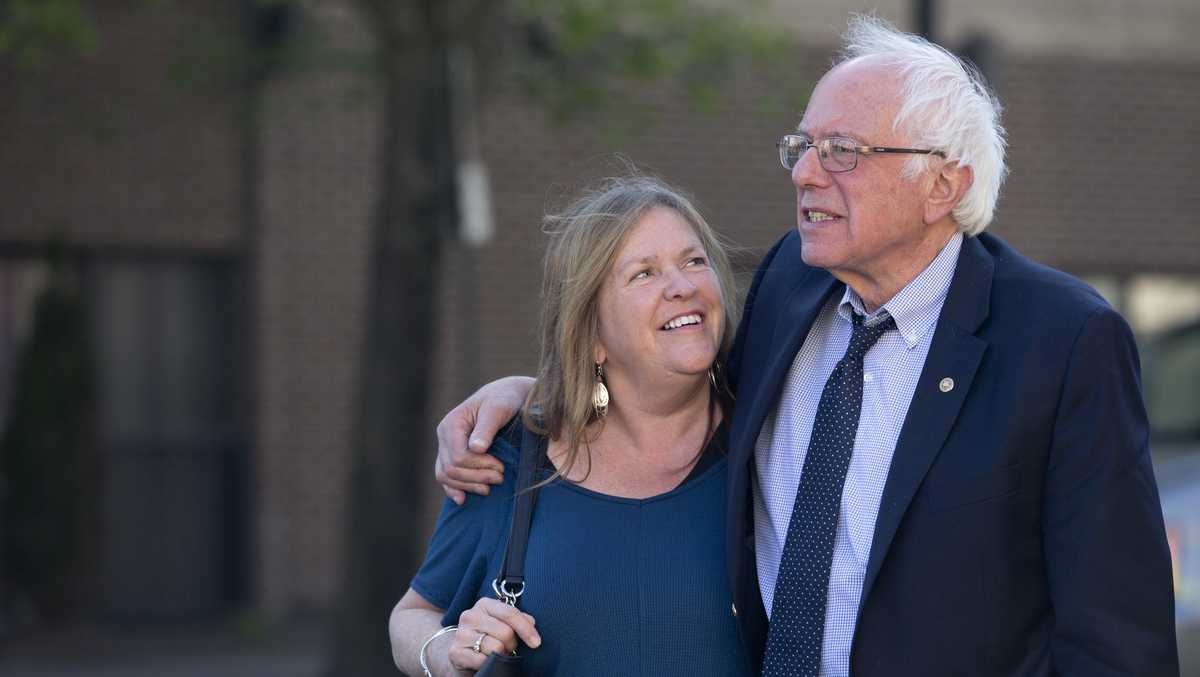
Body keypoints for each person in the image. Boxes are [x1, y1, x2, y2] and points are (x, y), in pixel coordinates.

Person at [432, 15, 1180, 677]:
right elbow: (675, 377)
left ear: (942, 185)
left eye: (844, 150)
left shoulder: (1063, 340)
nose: (805, 171)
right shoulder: (793, 279)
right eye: (804, 144)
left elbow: (1117, 637)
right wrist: (534, 391)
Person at [389, 175, 751, 676]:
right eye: (644, 274)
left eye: (694, 261)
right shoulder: (509, 459)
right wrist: (446, 651)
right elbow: (413, 613)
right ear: (592, 333)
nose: (683, 286)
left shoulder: (772, 442)